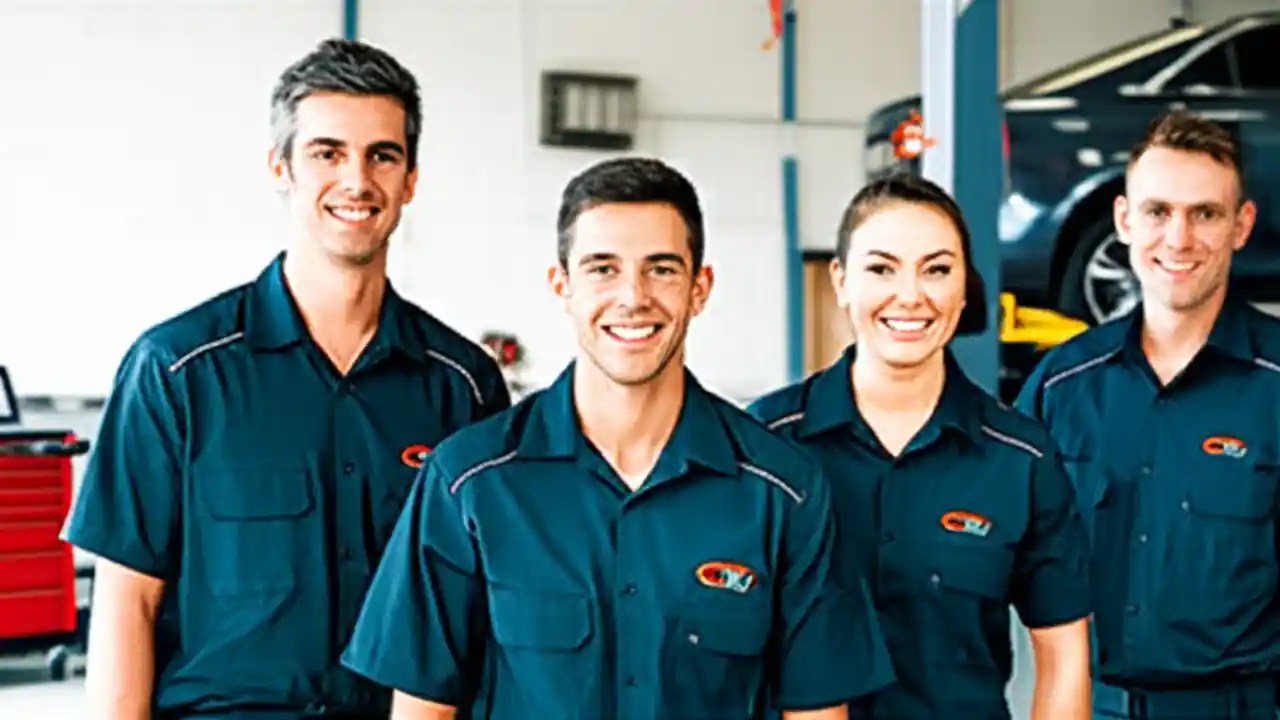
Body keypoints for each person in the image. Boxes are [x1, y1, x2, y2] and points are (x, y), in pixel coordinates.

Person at [338, 157, 895, 719]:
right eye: (603, 268)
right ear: (563, 285)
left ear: (700, 288)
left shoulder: (784, 493)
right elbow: (422, 710)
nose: (633, 296)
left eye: (662, 269)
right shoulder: (468, 485)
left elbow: (818, 714)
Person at [63, 38, 510, 719]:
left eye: (381, 155)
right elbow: (129, 598)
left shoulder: (462, 386)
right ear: (281, 166)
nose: (356, 180)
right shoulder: (177, 371)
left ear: (410, 179)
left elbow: (479, 610)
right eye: (327, 153)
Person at [749, 173, 1093, 720]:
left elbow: (1064, 652)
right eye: (882, 268)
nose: (910, 296)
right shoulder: (764, 444)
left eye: (936, 270)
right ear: (840, 281)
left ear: (963, 290)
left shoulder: (1021, 458)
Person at [1016, 110, 1280, 719]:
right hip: (1090, 704)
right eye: (1158, 211)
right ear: (1124, 220)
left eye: (1205, 214)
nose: (1179, 239)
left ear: (1241, 226)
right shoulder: (1061, 385)